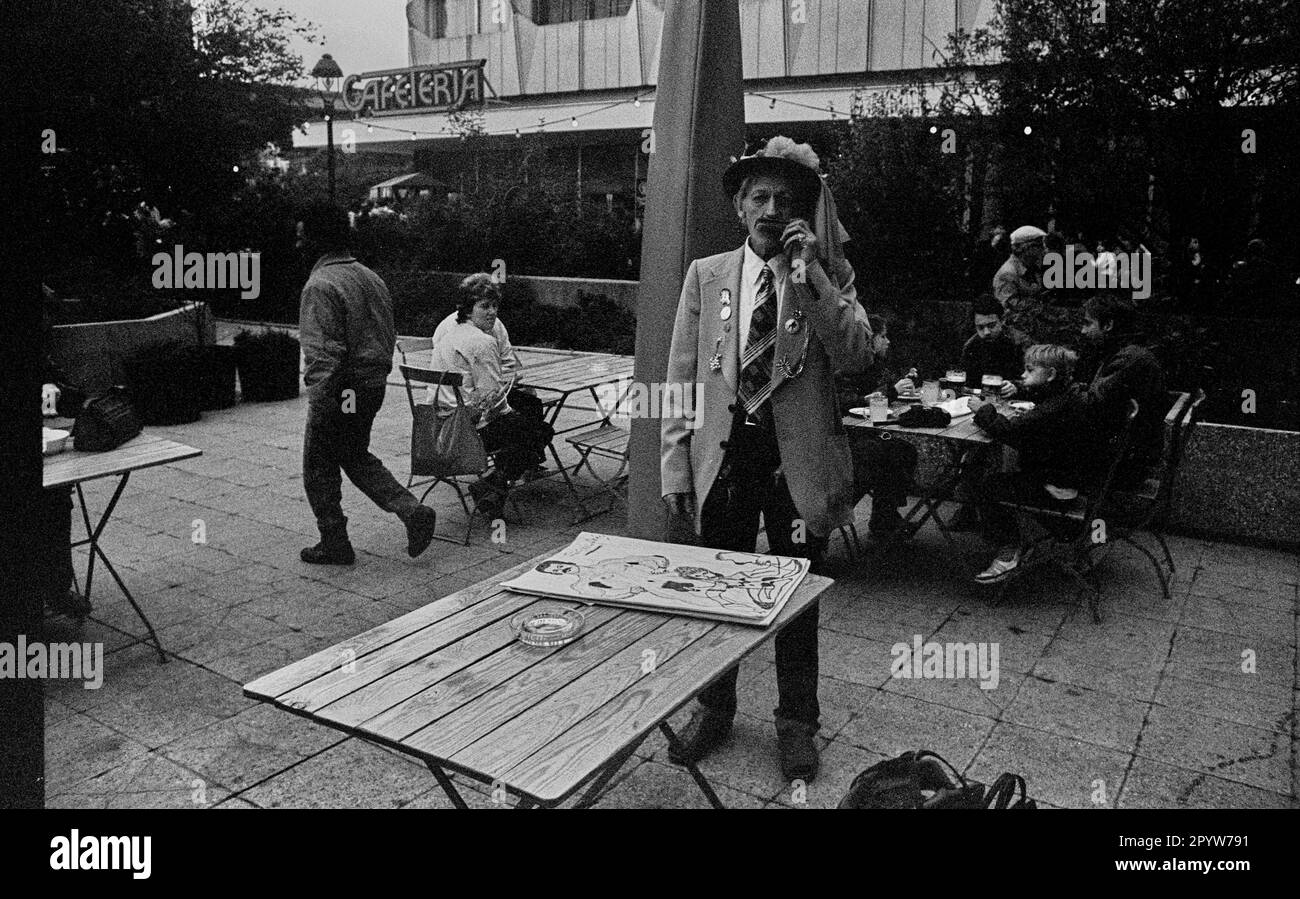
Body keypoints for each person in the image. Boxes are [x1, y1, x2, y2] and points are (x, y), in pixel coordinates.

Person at [661, 135, 871, 781]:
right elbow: (682, 374)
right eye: (759, 196)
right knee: (719, 596)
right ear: (739, 207)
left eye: (784, 197)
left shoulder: (826, 274)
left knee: (795, 598)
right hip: (723, 456)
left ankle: (796, 723)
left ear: (800, 210)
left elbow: (858, 353)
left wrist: (809, 278)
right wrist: (674, 462)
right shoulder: (707, 275)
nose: (771, 208)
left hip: (795, 463)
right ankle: (715, 707)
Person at [297, 200, 439, 565]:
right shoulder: (371, 277)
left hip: (341, 388)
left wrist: (321, 401)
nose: (298, 241)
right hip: (371, 385)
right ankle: (410, 510)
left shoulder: (320, 284)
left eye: (302, 234)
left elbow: (324, 354)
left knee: (319, 464)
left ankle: (334, 541)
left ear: (315, 239)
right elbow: (388, 333)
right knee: (354, 454)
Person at [967, 345, 1099, 583]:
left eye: (1029, 370)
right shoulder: (1067, 394)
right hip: (1071, 479)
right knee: (994, 466)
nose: (1024, 375)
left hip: (1058, 489)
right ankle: (1018, 537)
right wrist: (1019, 386)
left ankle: (1009, 549)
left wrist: (982, 410)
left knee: (986, 484)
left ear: (1050, 375)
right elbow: (1033, 411)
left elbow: (1009, 431)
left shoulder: (1055, 407)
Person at [427, 274, 553, 518]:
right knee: (541, 431)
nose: (492, 312)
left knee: (528, 415)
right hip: (468, 431)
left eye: (494, 305)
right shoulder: (482, 342)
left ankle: (494, 487)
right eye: (484, 306)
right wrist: (510, 412)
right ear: (467, 309)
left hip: (439, 425)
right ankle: (493, 484)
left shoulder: (450, 334)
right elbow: (494, 402)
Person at [836, 314, 919, 541]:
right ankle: (838, 513)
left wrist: (904, 381)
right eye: (883, 336)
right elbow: (845, 399)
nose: (888, 341)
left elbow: (884, 387)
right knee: (883, 454)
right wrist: (882, 394)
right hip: (846, 438)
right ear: (869, 339)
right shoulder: (848, 364)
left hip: (868, 431)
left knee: (903, 450)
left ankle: (885, 517)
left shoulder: (875, 363)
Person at [1075, 293, 1167, 479]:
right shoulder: (1129, 352)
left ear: (1108, 325)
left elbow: (1092, 402)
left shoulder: (1128, 359)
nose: (1083, 331)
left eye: (1087, 323)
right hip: (1128, 452)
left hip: (1124, 463)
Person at [961, 293, 1030, 392]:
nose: (986, 332)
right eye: (980, 327)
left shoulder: (1020, 342)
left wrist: (1017, 387)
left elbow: (1036, 378)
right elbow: (967, 384)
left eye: (991, 325)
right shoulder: (971, 346)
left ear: (1002, 320)